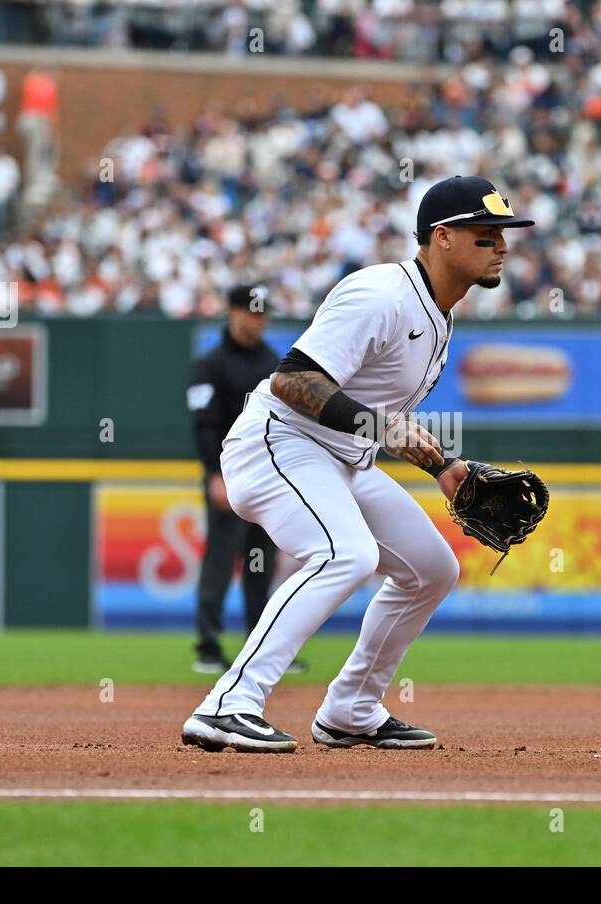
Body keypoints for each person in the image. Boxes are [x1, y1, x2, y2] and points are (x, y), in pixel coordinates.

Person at [180, 176, 534, 753]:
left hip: (341, 459)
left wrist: (443, 465)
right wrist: (380, 428)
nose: (502, 245)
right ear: (442, 237)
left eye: (504, 234)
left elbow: (380, 418)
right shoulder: (381, 295)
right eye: (486, 233)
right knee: (346, 554)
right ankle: (228, 704)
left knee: (432, 569)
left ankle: (350, 708)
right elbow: (294, 380)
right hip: (277, 444)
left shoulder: (440, 314)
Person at [187, 284, 305, 676]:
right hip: (229, 476)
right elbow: (204, 426)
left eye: (263, 312)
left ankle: (263, 648)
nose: (259, 318)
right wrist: (213, 474)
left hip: (267, 480)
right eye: (252, 311)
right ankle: (208, 647)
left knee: (261, 566)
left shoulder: (273, 362)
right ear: (233, 312)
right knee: (220, 562)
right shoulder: (211, 364)